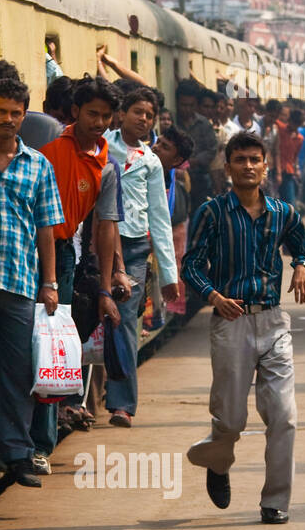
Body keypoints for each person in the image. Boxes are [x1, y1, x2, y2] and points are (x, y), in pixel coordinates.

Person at [182, 131, 305, 525]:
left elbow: (303, 247)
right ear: (228, 168)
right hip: (231, 321)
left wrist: (303, 265)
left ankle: (275, 501)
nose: (248, 166)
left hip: (274, 321)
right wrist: (212, 296)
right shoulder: (213, 212)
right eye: (240, 160)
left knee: (284, 415)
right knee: (230, 420)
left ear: (265, 165)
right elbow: (192, 263)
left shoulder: (283, 213)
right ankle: (219, 461)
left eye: (255, 159)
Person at [35, 76, 124, 456]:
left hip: (67, 256)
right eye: (92, 114)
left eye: (105, 116)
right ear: (75, 112)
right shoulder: (49, 153)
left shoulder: (106, 167)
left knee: (54, 345)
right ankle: (33, 436)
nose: (99, 122)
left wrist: (105, 289)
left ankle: (44, 436)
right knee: (33, 341)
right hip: (34, 251)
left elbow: (106, 229)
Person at [0, 78, 64, 488]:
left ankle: (16, 452)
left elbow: (46, 228)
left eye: (17, 113)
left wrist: (49, 283)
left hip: (18, 279)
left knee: (16, 370)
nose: (9, 120)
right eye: (2, 112)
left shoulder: (38, 165)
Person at [103, 88, 180, 428]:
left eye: (149, 115)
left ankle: (122, 404)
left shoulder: (150, 162)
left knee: (121, 321)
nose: (144, 119)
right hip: (94, 243)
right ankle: (71, 397)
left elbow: (160, 219)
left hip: (133, 247)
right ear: (121, 113)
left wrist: (169, 276)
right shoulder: (102, 145)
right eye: (138, 112)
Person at [153, 126, 194, 318]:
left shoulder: (168, 177)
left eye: (165, 147)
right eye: (158, 142)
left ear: (177, 160)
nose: (156, 147)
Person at [174, 79, 217, 208]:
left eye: (191, 105)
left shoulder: (204, 124)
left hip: (201, 180)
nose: (187, 109)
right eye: (183, 105)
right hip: (177, 179)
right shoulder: (172, 122)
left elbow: (212, 149)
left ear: (196, 104)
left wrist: (193, 162)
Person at [275, 109, 305, 208]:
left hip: (288, 172)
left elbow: (295, 157)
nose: (295, 126)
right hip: (275, 169)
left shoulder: (300, 138)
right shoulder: (280, 128)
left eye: (298, 124)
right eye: (294, 123)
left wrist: (297, 169)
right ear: (289, 120)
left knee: (290, 204)